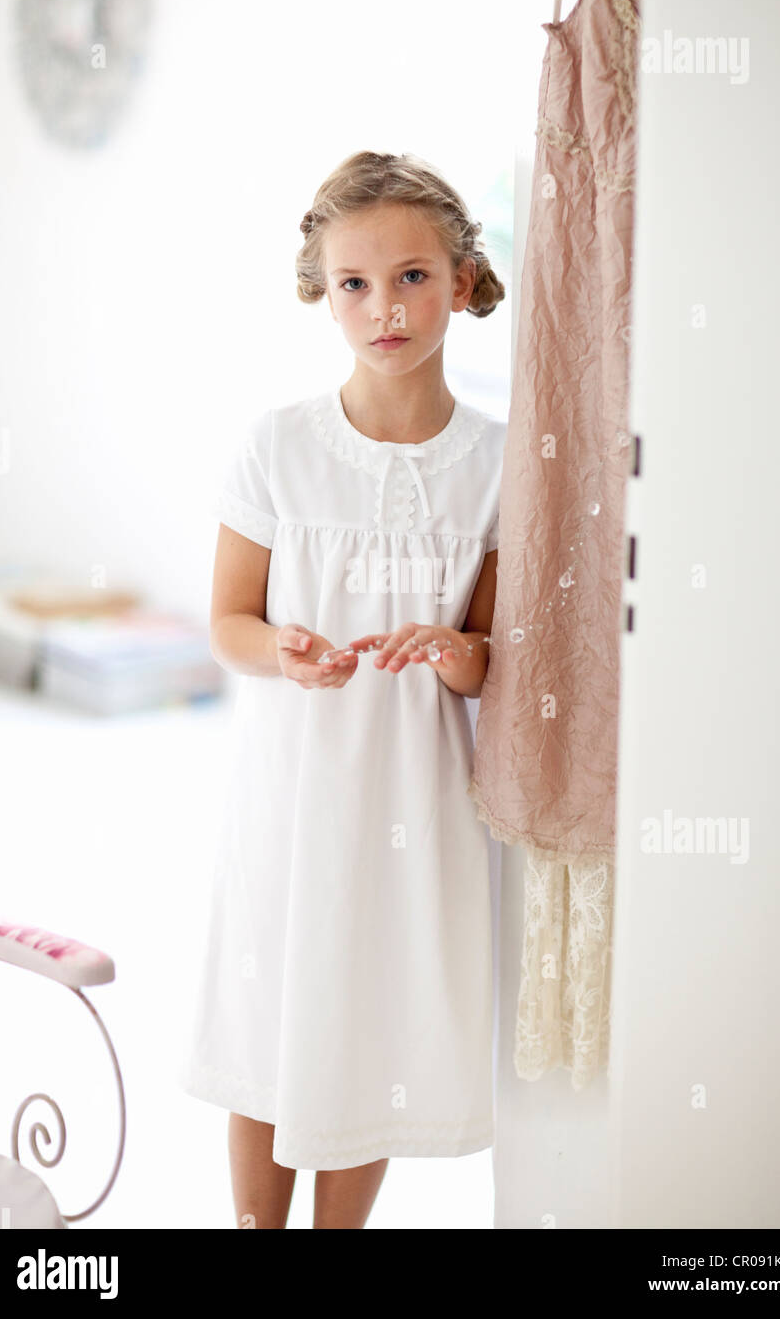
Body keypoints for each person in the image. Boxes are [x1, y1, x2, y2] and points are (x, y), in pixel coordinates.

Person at [178, 150, 507, 1228]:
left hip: (414, 799)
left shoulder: (501, 467)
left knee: (367, 1025)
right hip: (297, 792)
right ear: (322, 294)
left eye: (411, 277)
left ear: (459, 281)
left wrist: (453, 655)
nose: (386, 309)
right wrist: (284, 651)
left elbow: (489, 651)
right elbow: (227, 621)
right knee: (278, 1024)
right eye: (354, 285)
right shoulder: (278, 446)